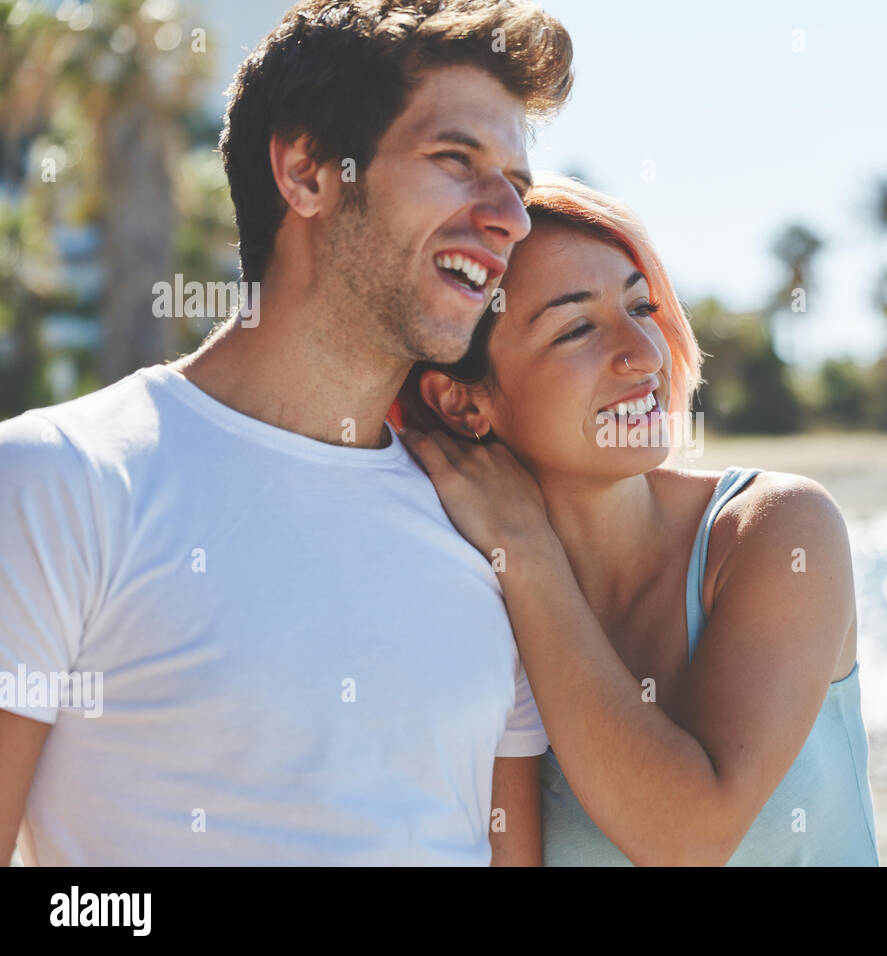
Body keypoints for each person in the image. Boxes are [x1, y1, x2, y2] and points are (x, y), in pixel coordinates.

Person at [0, 0, 573, 866]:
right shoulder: (60, 480)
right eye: (457, 160)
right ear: (306, 172)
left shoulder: (491, 528)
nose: (510, 219)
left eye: (518, 189)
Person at [396, 175, 881, 865]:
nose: (646, 356)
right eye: (577, 328)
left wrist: (528, 549)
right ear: (462, 404)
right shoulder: (469, 598)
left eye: (641, 306)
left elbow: (691, 835)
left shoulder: (776, 531)